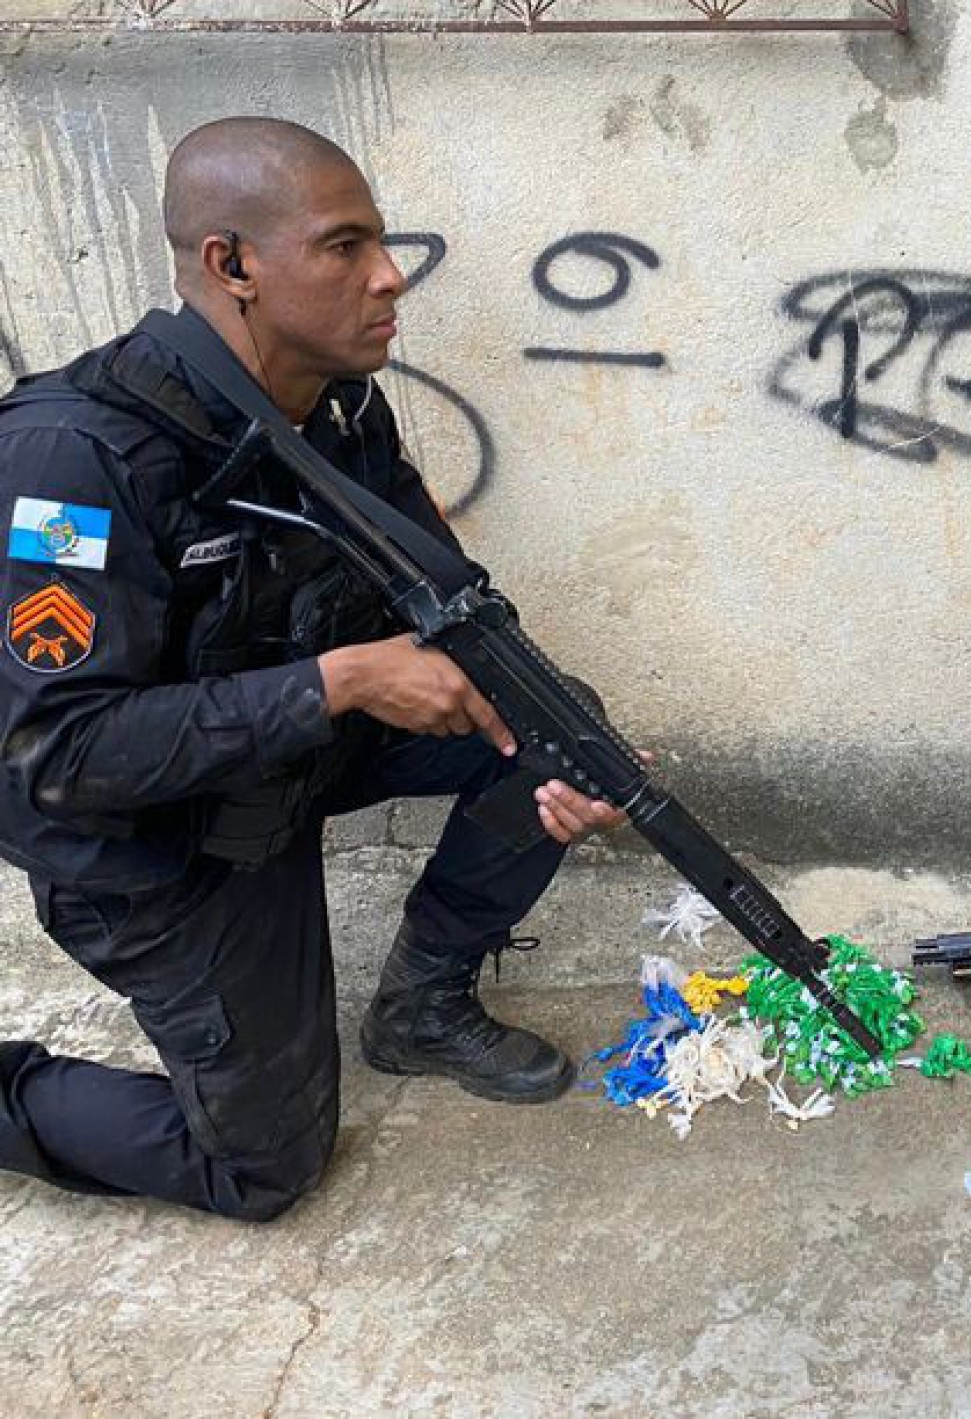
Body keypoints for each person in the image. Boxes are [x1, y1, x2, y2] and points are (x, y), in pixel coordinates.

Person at [0, 117, 625, 1222]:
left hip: (275, 758)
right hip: (147, 845)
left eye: (380, 242)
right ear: (230, 265)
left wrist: (549, 746)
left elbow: (437, 582)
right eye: (345, 247)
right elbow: (63, 753)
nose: (389, 277)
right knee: (264, 1168)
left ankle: (421, 1010)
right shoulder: (71, 464)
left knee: (551, 728)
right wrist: (342, 682)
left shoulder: (337, 404)